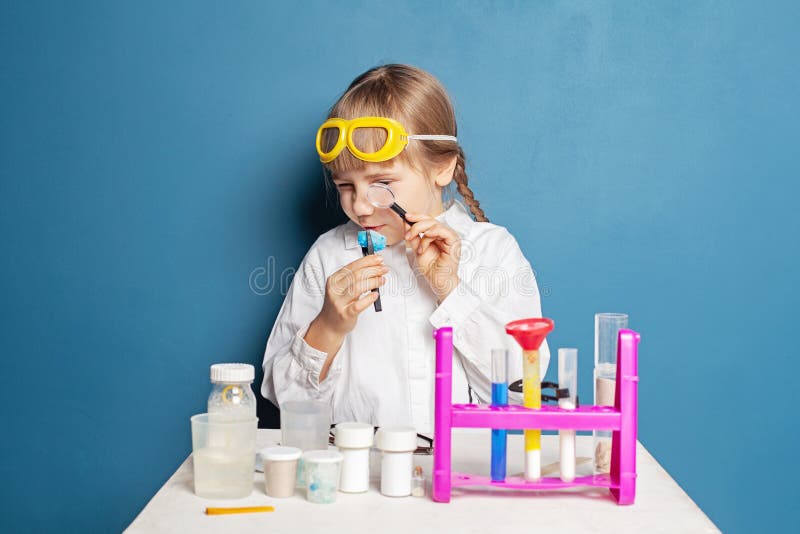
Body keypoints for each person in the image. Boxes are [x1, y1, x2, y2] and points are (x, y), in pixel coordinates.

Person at [261, 64, 549, 434]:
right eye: (345, 185)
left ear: (442, 168)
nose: (361, 206)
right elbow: (286, 400)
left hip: (459, 477)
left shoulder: (493, 250)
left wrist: (451, 291)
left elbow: (519, 392)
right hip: (357, 476)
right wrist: (328, 327)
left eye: (382, 182)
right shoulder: (330, 255)